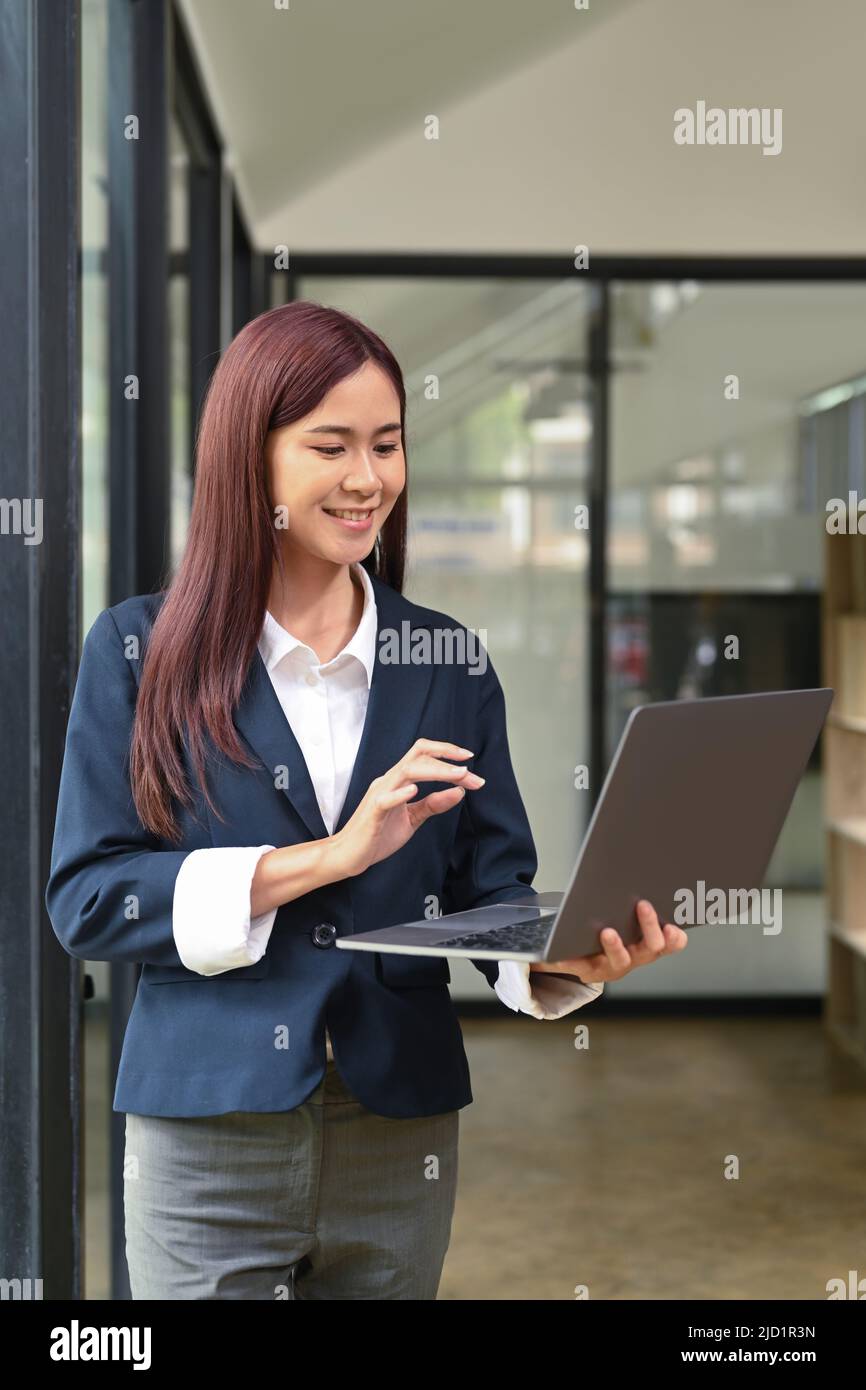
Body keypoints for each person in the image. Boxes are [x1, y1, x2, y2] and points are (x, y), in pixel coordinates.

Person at [45, 300, 687, 1300]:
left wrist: (560, 959)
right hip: (208, 1121)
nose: (365, 478)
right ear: (247, 459)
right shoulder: (139, 651)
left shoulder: (447, 660)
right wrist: (330, 857)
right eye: (329, 444)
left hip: (400, 1131)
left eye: (385, 444)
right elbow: (90, 896)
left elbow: (492, 888)